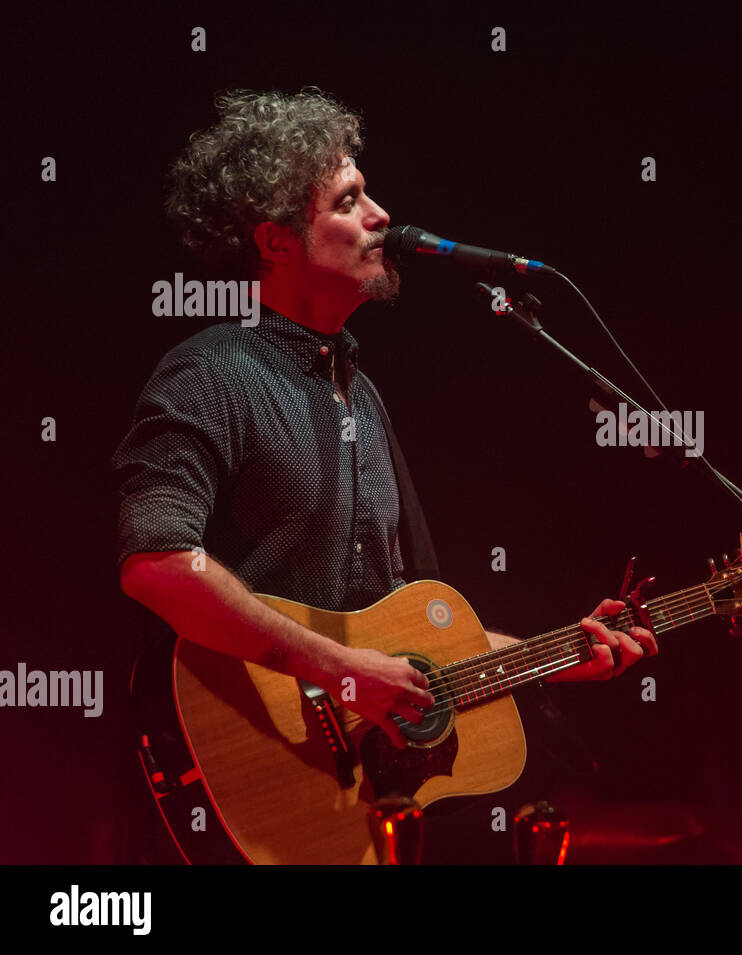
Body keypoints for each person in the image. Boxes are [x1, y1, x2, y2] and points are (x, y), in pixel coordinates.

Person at [113, 89, 657, 858]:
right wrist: (338, 670)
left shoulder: (358, 393)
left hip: (353, 804)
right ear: (276, 241)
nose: (381, 215)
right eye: (349, 199)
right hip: (245, 777)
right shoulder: (209, 374)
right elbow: (157, 566)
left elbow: (399, 636)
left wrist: (565, 650)